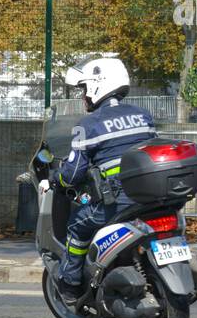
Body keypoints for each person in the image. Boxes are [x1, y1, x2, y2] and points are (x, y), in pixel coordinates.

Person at [53, 56, 156, 301]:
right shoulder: (143, 116)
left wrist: (60, 181)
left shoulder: (89, 125)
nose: (83, 96)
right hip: (152, 197)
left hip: (119, 201)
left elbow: (73, 172)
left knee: (77, 225)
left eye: (84, 89)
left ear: (96, 85)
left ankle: (70, 282)